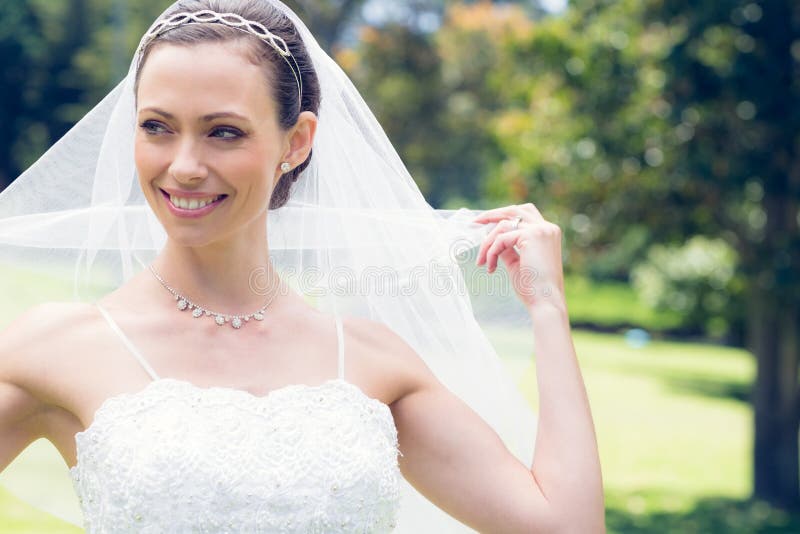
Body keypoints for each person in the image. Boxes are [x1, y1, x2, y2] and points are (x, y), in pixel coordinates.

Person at [0, 0, 604, 532]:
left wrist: (547, 306)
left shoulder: (373, 361)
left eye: (224, 133)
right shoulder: (54, 348)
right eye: (157, 127)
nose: (183, 165)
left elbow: (565, 527)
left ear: (297, 142)